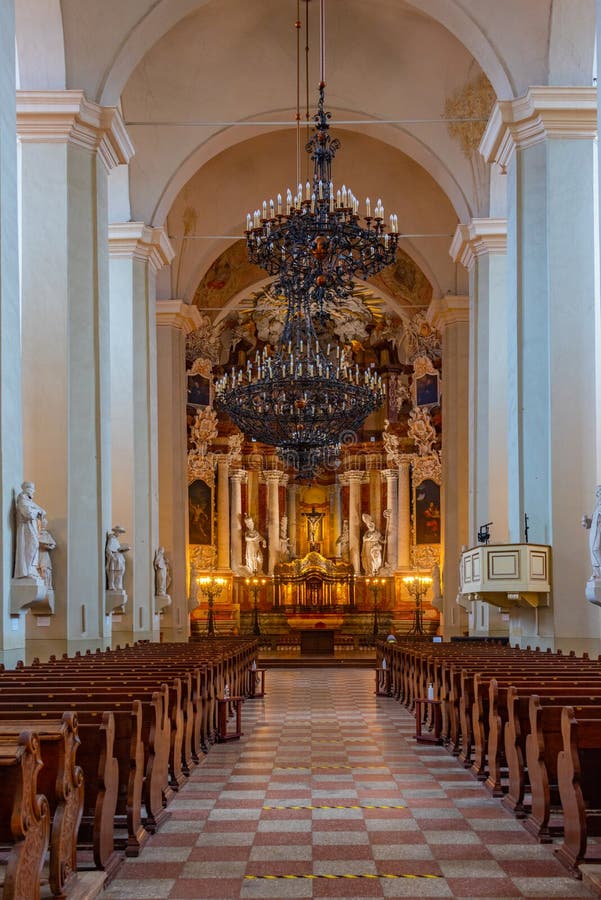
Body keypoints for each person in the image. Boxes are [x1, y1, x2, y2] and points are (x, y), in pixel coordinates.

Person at [14, 481, 45, 578]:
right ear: (27, 490)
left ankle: (31, 569)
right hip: (25, 527)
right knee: (30, 545)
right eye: (32, 489)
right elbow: (28, 513)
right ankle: (26, 571)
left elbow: (41, 510)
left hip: (31, 526)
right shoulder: (22, 500)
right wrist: (37, 511)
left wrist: (40, 511)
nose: (33, 492)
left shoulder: (29, 501)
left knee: (34, 546)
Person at [582, 486, 601, 577]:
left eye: (600, 493)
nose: (599, 495)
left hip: (599, 532)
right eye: (598, 494)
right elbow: (593, 521)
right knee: (593, 551)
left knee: (596, 549)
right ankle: (597, 573)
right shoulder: (597, 507)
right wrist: (586, 521)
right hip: (594, 533)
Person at [105, 525, 130, 591]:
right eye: (119, 532)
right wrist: (112, 556)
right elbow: (108, 549)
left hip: (119, 557)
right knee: (113, 572)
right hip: (115, 558)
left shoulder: (116, 540)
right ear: (116, 531)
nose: (120, 534)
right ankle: (112, 586)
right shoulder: (112, 538)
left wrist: (123, 550)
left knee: (120, 571)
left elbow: (117, 549)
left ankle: (118, 585)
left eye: (121, 532)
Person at [37, 515, 56, 592]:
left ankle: (47, 586)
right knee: (38, 571)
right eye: (41, 523)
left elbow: (53, 544)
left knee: (45, 570)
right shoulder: (35, 534)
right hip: (38, 554)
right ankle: (41, 586)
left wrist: (46, 545)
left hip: (44, 554)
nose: (43, 525)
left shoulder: (47, 534)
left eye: (44, 523)